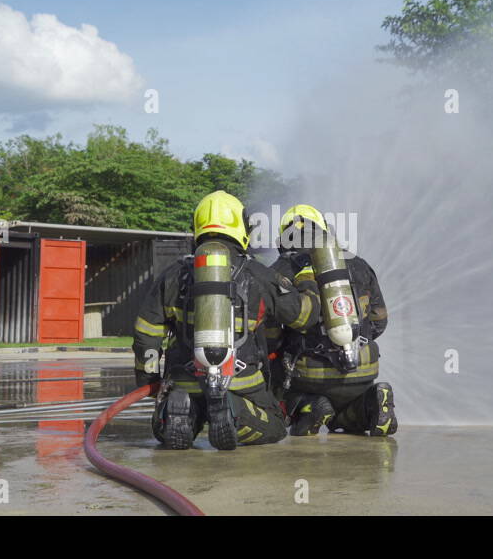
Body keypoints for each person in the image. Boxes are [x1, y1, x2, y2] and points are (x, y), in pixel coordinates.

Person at [132, 191, 319, 450]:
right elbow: (304, 316)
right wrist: (308, 280)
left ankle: (181, 415)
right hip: (240, 381)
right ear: (241, 227)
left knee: (169, 420)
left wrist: (150, 382)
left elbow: (146, 334)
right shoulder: (258, 274)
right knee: (276, 423)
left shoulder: (174, 274)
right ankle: (232, 410)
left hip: (185, 379)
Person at [267, 204, 396, 437]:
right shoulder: (359, 263)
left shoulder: (280, 268)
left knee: (269, 365)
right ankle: (372, 402)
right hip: (362, 368)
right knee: (343, 417)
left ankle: (306, 408)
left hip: (308, 375)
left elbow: (269, 333)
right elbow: (379, 320)